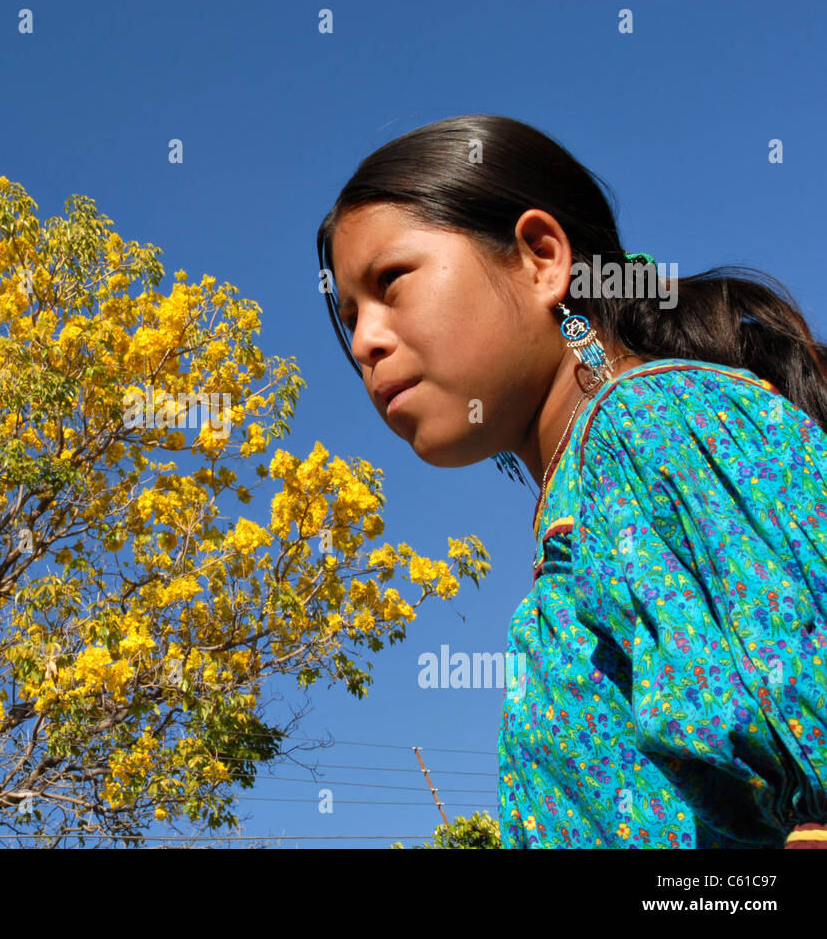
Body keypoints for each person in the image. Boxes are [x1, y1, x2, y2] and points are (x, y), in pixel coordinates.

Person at [315, 114, 827, 848]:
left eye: (391, 281)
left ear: (542, 258)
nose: (364, 340)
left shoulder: (651, 425)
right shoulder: (583, 522)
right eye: (350, 315)